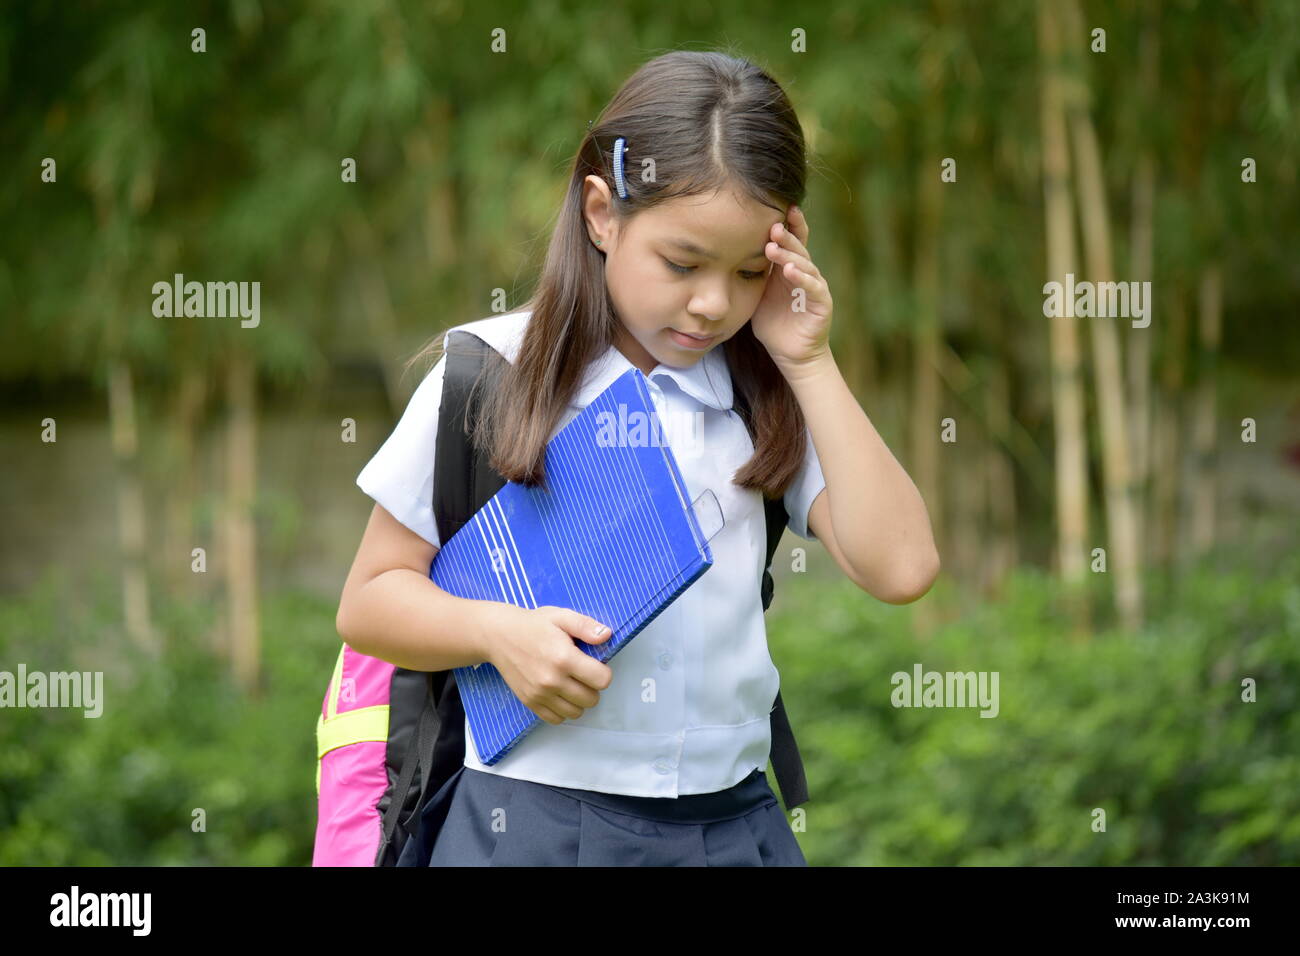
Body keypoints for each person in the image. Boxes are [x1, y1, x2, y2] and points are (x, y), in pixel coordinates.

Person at [335, 49, 940, 867]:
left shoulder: (763, 390)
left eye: (749, 271)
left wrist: (809, 360)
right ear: (601, 213)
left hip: (734, 830)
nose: (713, 303)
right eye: (683, 263)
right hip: (529, 828)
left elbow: (901, 566)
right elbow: (369, 602)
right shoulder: (491, 374)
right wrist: (496, 633)